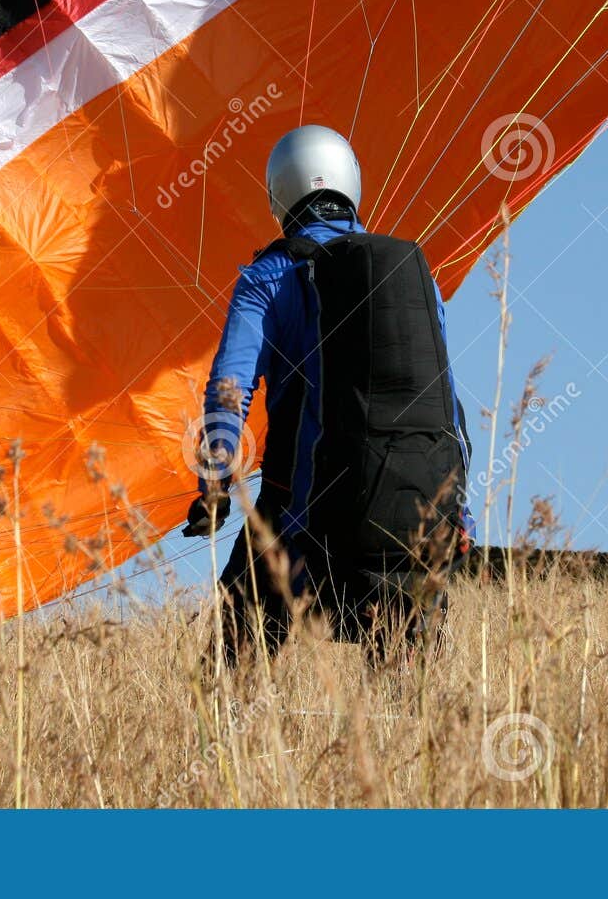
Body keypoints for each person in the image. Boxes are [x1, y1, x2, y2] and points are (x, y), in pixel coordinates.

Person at [184, 124, 472, 667]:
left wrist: (216, 485)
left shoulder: (269, 276)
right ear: (351, 185)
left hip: (305, 520)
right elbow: (448, 404)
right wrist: (461, 518)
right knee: (405, 693)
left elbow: (229, 391)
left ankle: (226, 741)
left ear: (279, 196)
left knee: (229, 664)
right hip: (419, 517)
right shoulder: (412, 278)